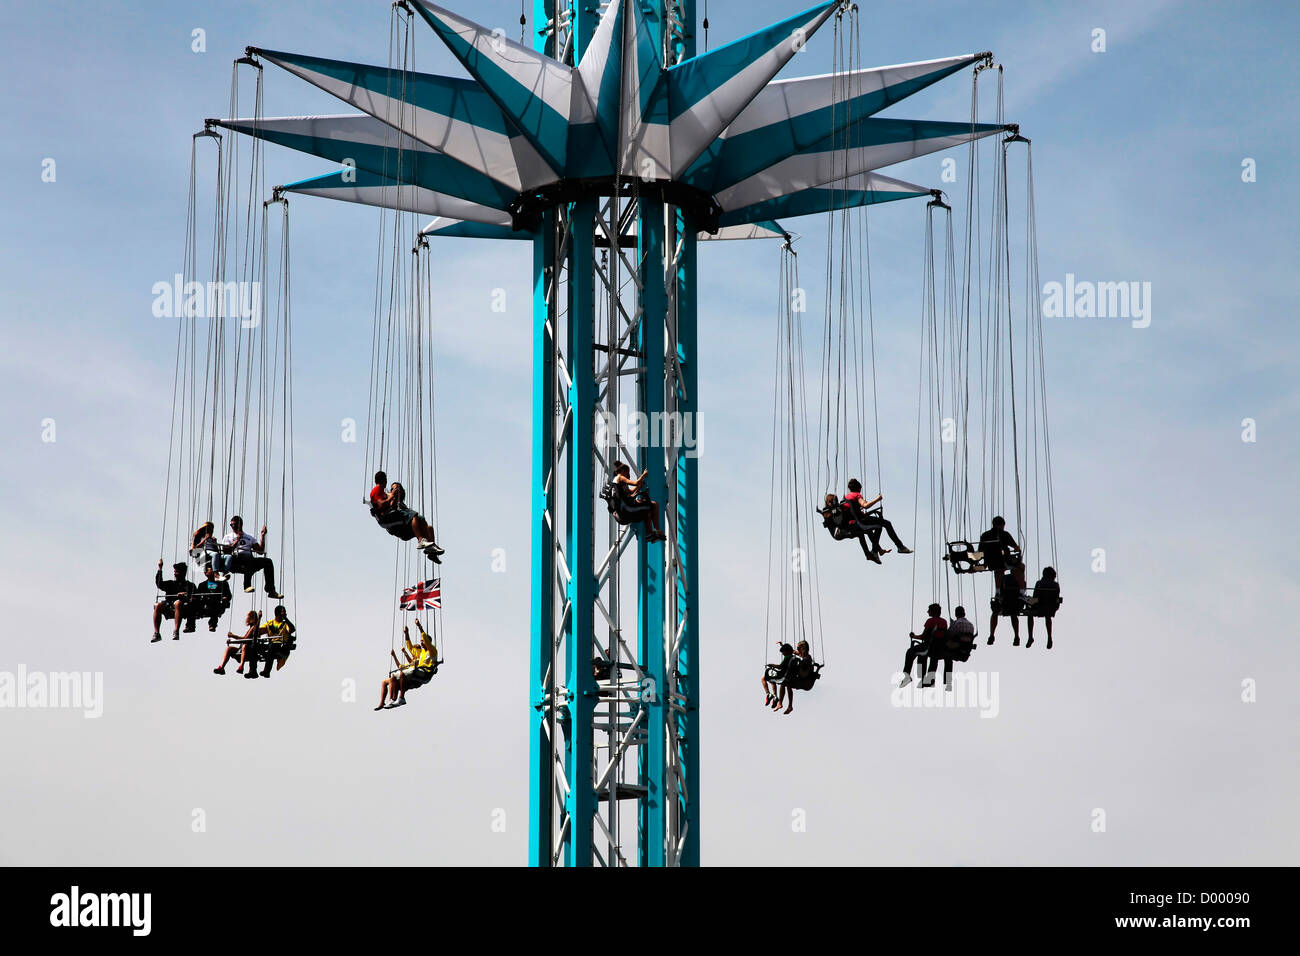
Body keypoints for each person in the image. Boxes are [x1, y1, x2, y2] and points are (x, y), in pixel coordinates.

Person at [369, 471, 445, 562]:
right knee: (413, 515)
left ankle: (431, 552)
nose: (395, 489)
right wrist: (393, 496)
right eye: (393, 488)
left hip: (405, 529)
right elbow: (386, 505)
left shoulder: (400, 503)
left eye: (397, 488)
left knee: (427, 526)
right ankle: (421, 540)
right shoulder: (384, 493)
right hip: (396, 526)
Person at [212, 516, 283, 597]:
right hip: (235, 560)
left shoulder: (249, 537)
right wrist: (237, 540)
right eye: (231, 525)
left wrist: (263, 536)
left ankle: (271, 590)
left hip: (249, 559)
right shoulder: (228, 537)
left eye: (234, 524)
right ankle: (247, 586)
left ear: (240, 524)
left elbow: (260, 551)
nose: (232, 526)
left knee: (267, 561)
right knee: (247, 561)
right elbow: (226, 551)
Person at [375, 619, 439, 710]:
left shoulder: (432, 651)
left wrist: (419, 626)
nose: (421, 642)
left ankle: (401, 698)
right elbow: (410, 647)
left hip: (425, 672)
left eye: (423, 641)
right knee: (393, 677)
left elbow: (425, 638)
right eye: (420, 641)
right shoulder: (422, 653)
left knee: (402, 674)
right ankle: (392, 700)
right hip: (418, 671)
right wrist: (406, 633)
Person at [843, 478, 912, 560]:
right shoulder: (857, 495)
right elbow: (866, 505)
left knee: (878, 527)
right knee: (887, 523)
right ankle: (900, 547)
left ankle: (876, 551)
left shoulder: (846, 497)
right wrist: (878, 499)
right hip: (861, 520)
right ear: (859, 488)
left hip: (853, 522)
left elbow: (852, 509)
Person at [612, 462, 666, 542]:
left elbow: (630, 493)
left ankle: (649, 535)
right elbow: (635, 483)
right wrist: (644, 474)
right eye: (628, 472)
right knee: (654, 505)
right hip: (627, 508)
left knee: (647, 513)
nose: (629, 475)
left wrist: (639, 487)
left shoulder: (619, 483)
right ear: (623, 471)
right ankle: (657, 530)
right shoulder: (620, 477)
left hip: (624, 510)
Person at [900, 603, 947, 687]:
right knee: (933, 658)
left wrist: (913, 636)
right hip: (939, 647)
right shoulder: (944, 622)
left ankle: (907, 675)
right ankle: (930, 679)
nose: (927, 611)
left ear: (933, 611)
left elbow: (924, 636)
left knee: (910, 652)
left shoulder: (930, 621)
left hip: (928, 646)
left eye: (929, 610)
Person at [152, 560, 195, 642]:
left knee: (177, 603)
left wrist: (185, 594)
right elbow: (159, 583)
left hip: (182, 607)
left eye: (177, 572)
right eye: (174, 572)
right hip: (169, 606)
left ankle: (176, 631)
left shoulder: (190, 585)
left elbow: (194, 597)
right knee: (158, 605)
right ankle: (157, 633)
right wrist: (160, 568)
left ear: (183, 573)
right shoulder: (171, 584)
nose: (175, 574)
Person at [988, 558, 1028, 645]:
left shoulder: (1012, 576)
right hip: (1014, 602)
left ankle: (992, 635)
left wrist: (1008, 564)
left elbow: (1020, 568)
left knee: (996, 613)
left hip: (1008, 602)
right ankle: (1016, 636)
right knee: (1013, 615)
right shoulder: (1017, 577)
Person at [214, 610, 263, 678]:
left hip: (249, 652)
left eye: (248, 617)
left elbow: (245, 638)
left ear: (251, 618)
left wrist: (233, 636)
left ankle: (241, 666)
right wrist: (231, 641)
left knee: (244, 646)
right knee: (229, 648)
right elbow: (243, 639)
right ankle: (222, 667)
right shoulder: (251, 628)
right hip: (242, 651)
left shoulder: (254, 627)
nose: (246, 619)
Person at [184, 566, 232, 632]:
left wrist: (225, 598)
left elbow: (229, 595)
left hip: (217, 603)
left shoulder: (222, 583)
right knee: (192, 604)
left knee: (215, 603)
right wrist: (193, 599)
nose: (214, 571)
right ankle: (190, 626)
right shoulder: (202, 585)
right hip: (205, 603)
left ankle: (212, 624)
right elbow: (198, 596)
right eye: (211, 569)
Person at [256, 605, 297, 678]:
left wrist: (285, 618)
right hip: (271, 647)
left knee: (272, 646)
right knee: (255, 645)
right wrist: (259, 618)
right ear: (279, 613)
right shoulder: (270, 623)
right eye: (284, 613)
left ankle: (266, 671)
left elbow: (292, 629)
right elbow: (257, 632)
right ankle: (252, 671)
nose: (285, 614)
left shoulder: (285, 624)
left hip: (282, 648)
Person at [1025, 566, 1061, 649]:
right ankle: (1049, 637)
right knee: (1048, 617)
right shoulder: (1056, 585)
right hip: (1050, 608)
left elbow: (1035, 598)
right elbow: (1057, 599)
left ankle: (1030, 636)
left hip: (1039, 607)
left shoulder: (1039, 583)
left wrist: (1028, 600)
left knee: (1029, 614)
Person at [777, 640, 816, 714]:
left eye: (799, 648)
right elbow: (793, 651)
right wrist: (783, 646)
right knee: (786, 682)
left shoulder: (808, 658)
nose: (797, 649)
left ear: (803, 648)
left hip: (807, 683)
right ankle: (786, 705)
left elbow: (804, 669)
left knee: (786, 682)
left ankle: (787, 705)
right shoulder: (802, 655)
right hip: (803, 680)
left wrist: (797, 663)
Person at [943, 605, 977, 689]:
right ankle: (948, 682)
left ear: (955, 614)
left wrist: (951, 625)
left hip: (956, 650)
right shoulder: (971, 625)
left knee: (947, 657)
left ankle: (948, 681)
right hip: (965, 653)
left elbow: (948, 634)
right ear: (964, 613)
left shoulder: (956, 624)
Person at [977, 516, 1020, 582]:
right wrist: (1016, 549)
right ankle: (1020, 589)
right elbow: (1016, 547)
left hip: (990, 563)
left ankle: (998, 591)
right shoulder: (1005, 534)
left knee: (998, 569)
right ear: (1002, 525)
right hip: (1004, 561)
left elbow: (980, 551)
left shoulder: (984, 535)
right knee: (1020, 567)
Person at [762, 642, 794, 708]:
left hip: (782, 675)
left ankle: (768, 694)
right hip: (785, 674)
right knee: (771, 679)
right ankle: (775, 696)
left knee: (763, 678)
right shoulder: (792, 657)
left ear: (786, 651)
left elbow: (780, 666)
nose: (782, 654)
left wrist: (771, 665)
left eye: (783, 652)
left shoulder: (787, 657)